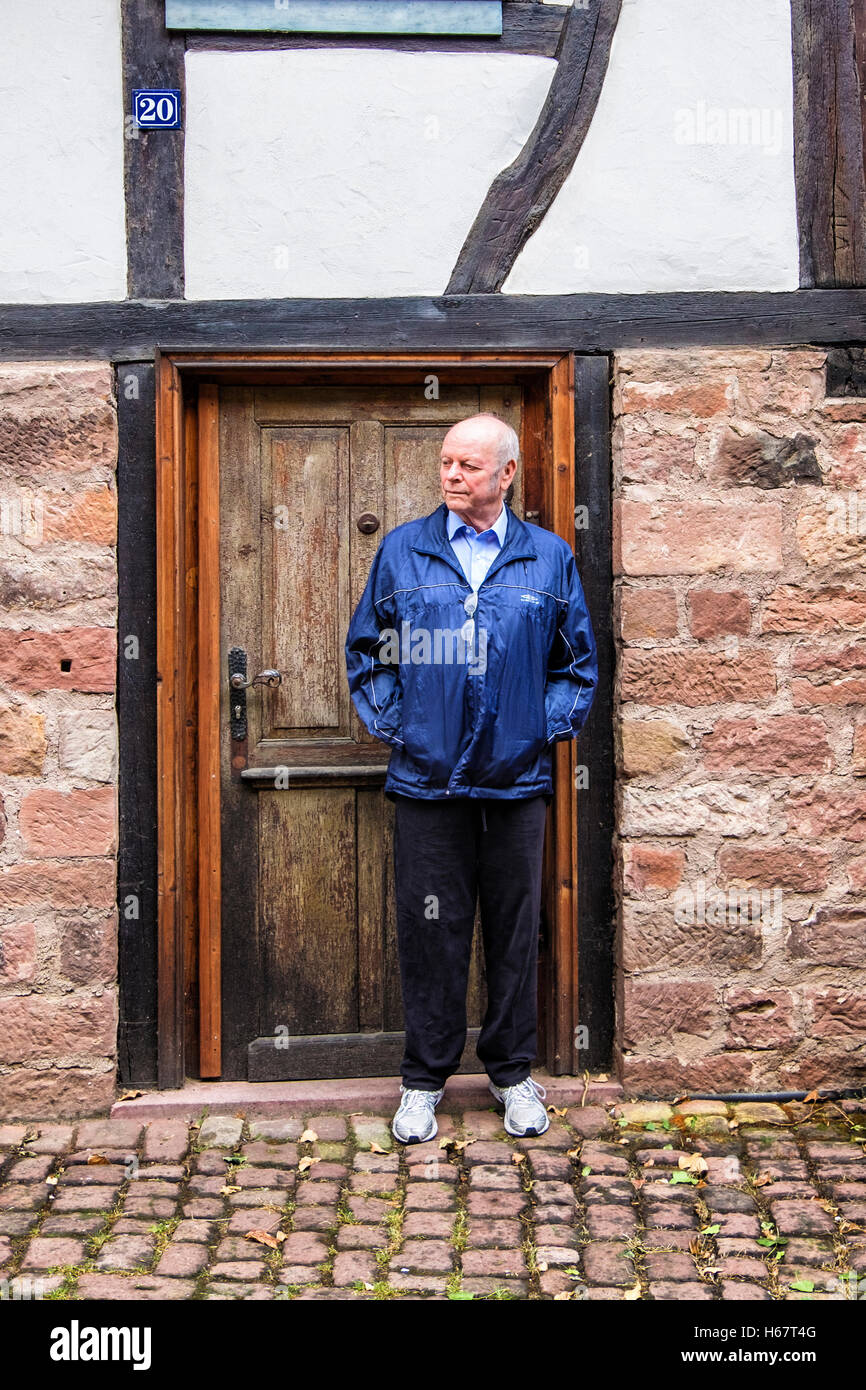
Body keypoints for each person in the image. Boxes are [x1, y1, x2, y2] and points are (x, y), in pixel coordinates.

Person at [344, 413, 598, 1142]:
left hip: (516, 785)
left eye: (469, 466)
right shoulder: (404, 551)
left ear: (507, 475)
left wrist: (533, 731)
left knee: (515, 932)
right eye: (447, 462)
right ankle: (422, 1080)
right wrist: (406, 726)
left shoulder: (547, 559)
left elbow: (575, 667)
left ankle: (512, 1073)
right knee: (432, 934)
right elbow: (371, 652)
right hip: (428, 785)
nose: (452, 476)